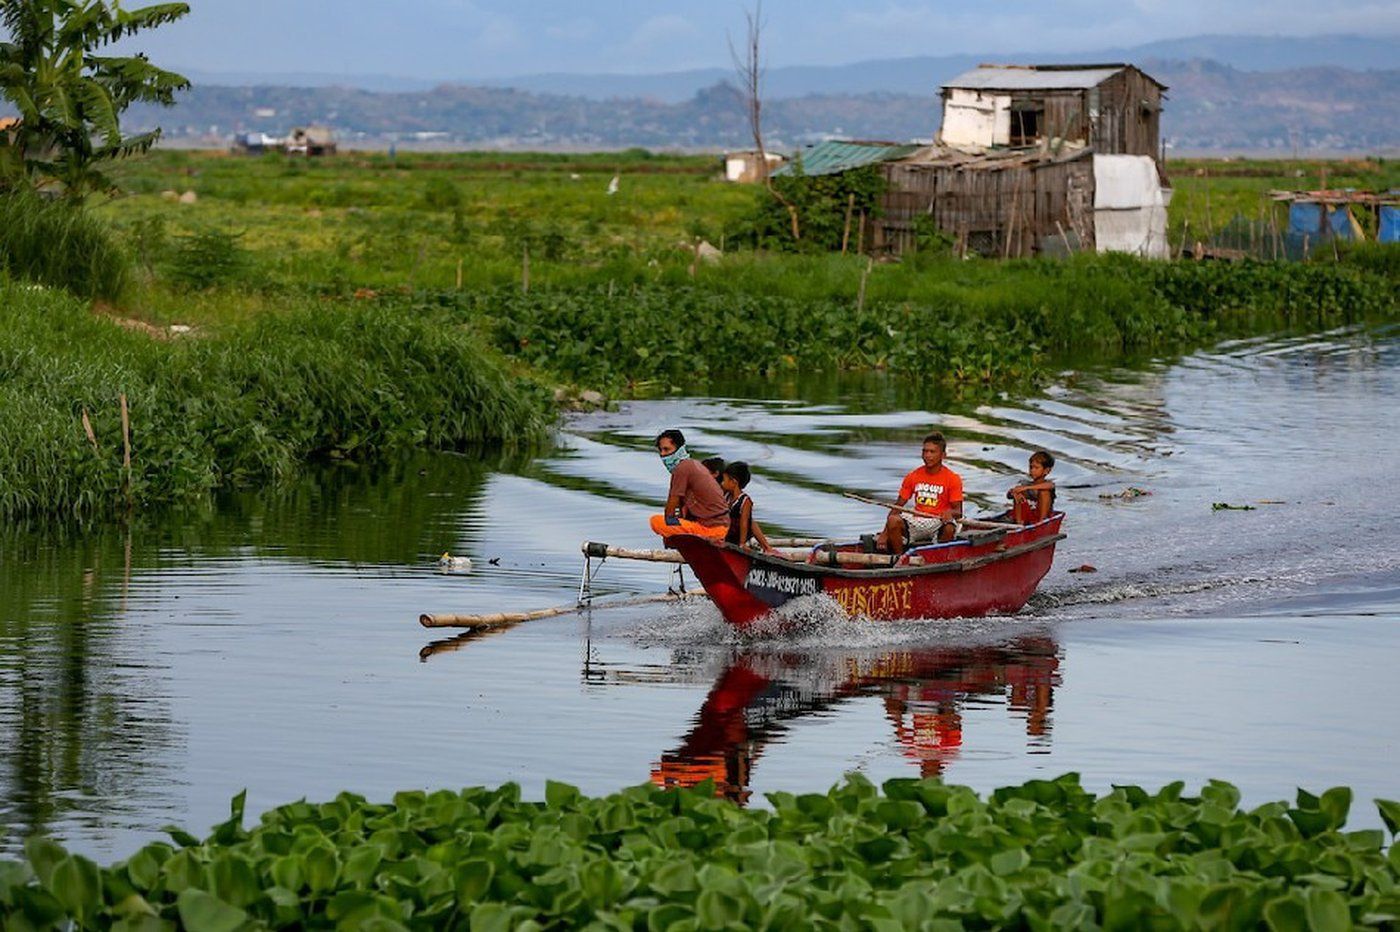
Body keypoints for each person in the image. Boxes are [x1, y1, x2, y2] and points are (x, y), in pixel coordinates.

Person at [874, 431, 963, 553]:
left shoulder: (953, 478)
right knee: (893, 520)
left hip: (938, 522)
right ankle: (899, 558)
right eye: (925, 451)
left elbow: (958, 512)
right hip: (917, 521)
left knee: (949, 528)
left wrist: (949, 513)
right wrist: (885, 534)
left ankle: (940, 558)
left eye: (932, 452)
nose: (927, 455)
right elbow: (898, 506)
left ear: (943, 455)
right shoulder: (913, 476)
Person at [649, 429, 730, 540]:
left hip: (711, 529)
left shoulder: (682, 468)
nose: (663, 455)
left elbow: (671, 507)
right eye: (660, 450)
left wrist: (667, 534)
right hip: (722, 526)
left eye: (666, 449)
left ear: (680, 449)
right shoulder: (694, 464)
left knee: (656, 521)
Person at [719, 462, 776, 553]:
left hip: (735, 535)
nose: (722, 483)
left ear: (734, 482)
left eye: (724, 480)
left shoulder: (745, 501)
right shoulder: (727, 496)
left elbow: (744, 523)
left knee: (749, 520)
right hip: (726, 532)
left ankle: (765, 547)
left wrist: (742, 543)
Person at [1007, 450, 1056, 524]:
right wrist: (1015, 492)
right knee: (1018, 493)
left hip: (1041, 518)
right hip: (1027, 517)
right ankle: (1018, 524)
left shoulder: (1047, 485)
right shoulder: (1026, 483)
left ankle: (1041, 523)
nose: (1032, 470)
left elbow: (1050, 485)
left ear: (1046, 470)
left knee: (1044, 492)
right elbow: (1009, 495)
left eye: (1036, 468)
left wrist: (1026, 488)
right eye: (1031, 467)